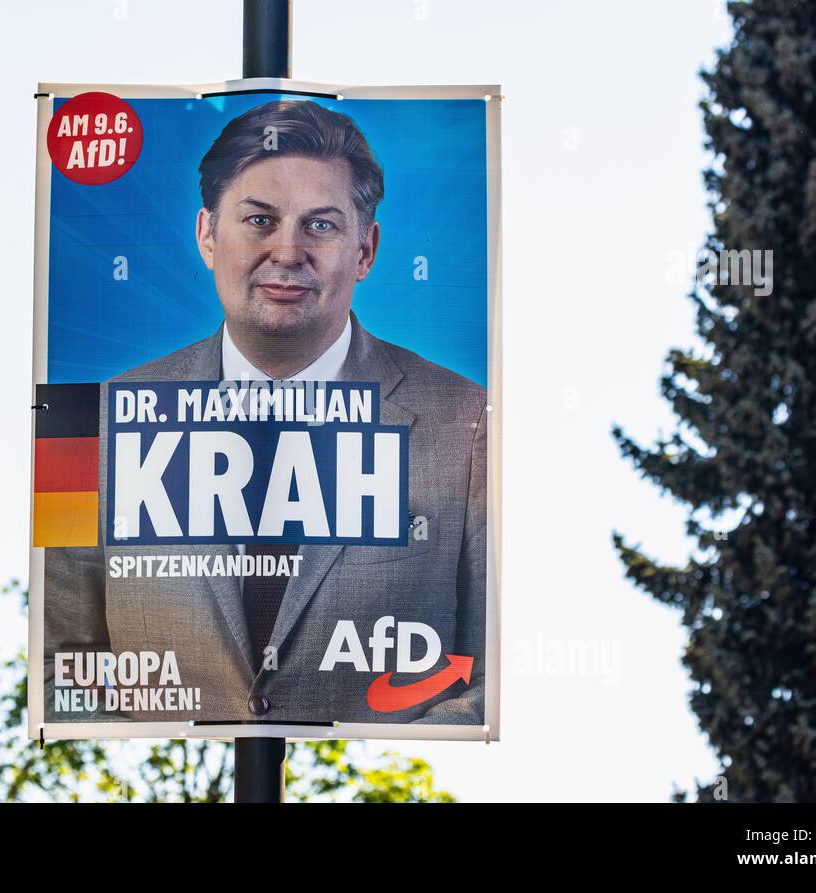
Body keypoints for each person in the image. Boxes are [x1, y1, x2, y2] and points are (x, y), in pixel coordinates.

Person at [45, 98, 486, 726]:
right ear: (206, 233)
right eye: (258, 220)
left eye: (322, 225)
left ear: (366, 249)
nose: (287, 251)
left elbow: (490, 674)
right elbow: (59, 665)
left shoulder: (468, 421)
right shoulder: (89, 423)